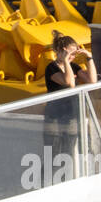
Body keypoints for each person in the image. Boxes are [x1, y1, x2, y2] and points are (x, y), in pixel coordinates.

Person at [42, 31, 98, 175]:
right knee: (52, 150)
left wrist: (89, 58)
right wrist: (66, 61)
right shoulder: (51, 68)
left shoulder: (74, 66)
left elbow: (92, 81)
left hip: (71, 113)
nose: (72, 57)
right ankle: (46, 178)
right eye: (69, 54)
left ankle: (65, 177)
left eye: (74, 55)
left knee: (69, 148)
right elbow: (69, 83)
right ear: (59, 52)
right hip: (54, 115)